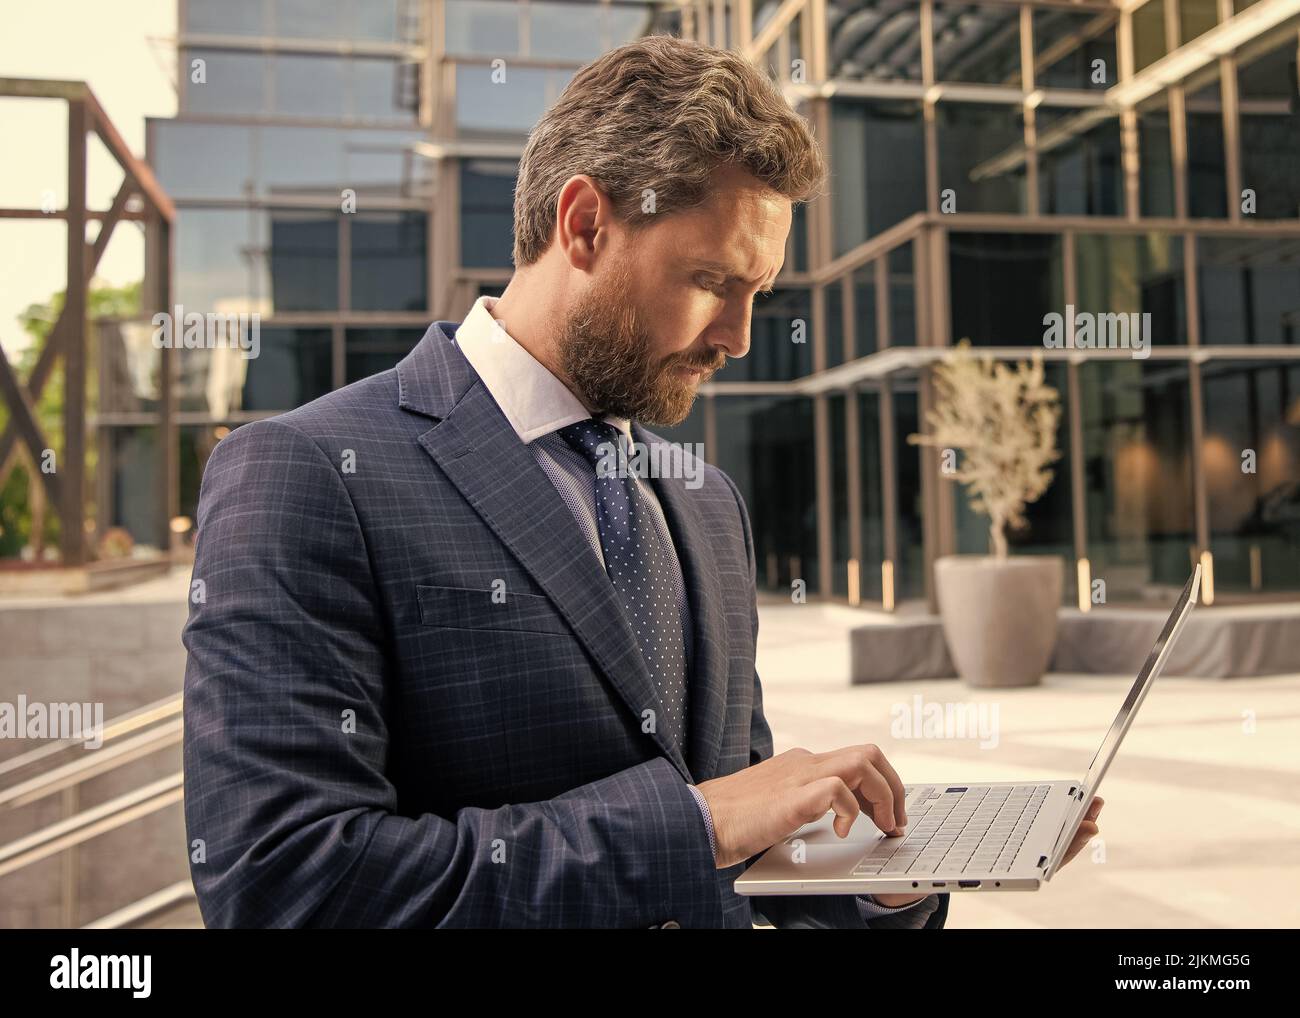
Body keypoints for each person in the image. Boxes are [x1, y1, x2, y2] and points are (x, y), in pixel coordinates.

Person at [182, 34, 1102, 928]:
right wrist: (696, 824)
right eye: (710, 279)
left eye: (759, 293)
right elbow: (285, 885)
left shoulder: (707, 505)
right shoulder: (307, 474)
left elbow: (748, 833)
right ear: (583, 224)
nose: (738, 337)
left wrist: (888, 878)